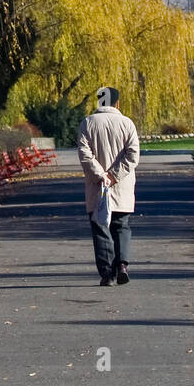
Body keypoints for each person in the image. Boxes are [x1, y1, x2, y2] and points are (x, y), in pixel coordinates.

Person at [77, 87, 140, 287]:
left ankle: (107, 274)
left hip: (97, 186)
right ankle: (122, 265)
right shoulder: (127, 123)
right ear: (117, 103)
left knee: (100, 227)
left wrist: (101, 176)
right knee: (121, 226)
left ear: (99, 102)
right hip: (121, 185)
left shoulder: (87, 123)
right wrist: (113, 176)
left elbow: (85, 154)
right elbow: (132, 156)